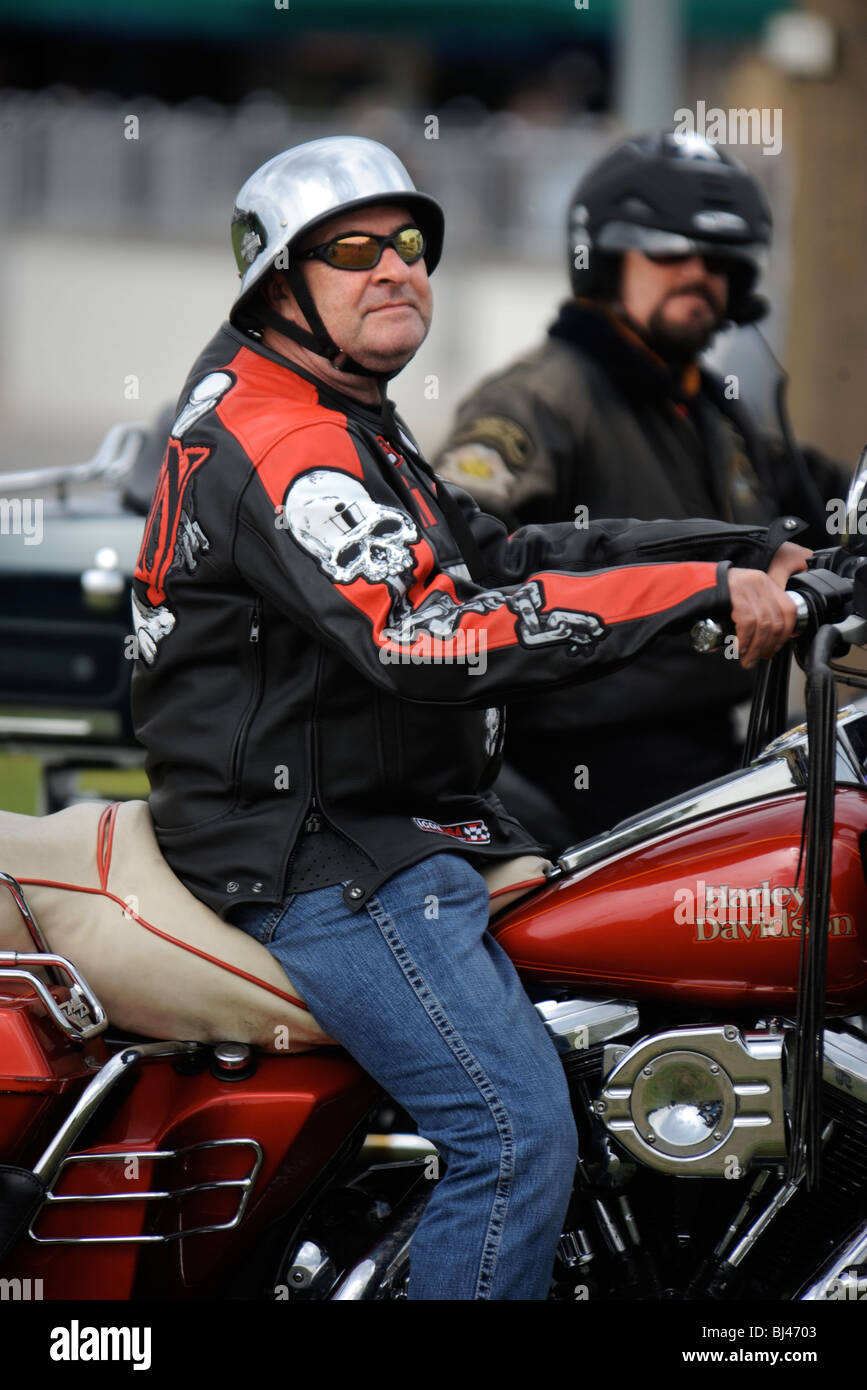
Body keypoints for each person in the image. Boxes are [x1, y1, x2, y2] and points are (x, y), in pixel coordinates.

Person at [130, 135, 807, 1300]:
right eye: (353, 250)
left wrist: (748, 551)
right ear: (278, 284)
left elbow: (502, 554)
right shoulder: (292, 442)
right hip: (315, 850)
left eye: (410, 244)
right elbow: (426, 635)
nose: (397, 267)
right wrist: (698, 597)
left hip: (388, 822)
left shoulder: (337, 409)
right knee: (515, 1133)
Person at [435, 130, 844, 849]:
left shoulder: (712, 411)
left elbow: (828, 498)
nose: (698, 273)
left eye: (718, 258)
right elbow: (455, 552)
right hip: (582, 764)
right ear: (606, 262)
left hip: (713, 737)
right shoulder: (539, 400)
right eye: (667, 251)